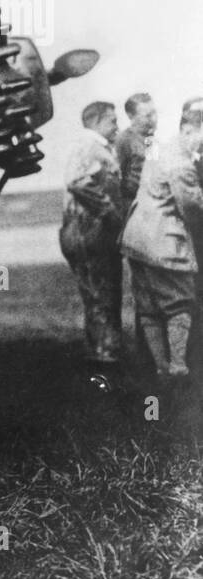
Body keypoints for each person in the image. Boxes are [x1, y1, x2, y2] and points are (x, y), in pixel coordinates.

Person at [120, 99, 203, 379]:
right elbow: (192, 208)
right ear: (190, 130)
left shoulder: (160, 150)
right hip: (163, 242)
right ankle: (178, 367)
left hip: (137, 239)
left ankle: (160, 368)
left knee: (149, 307)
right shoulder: (180, 163)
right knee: (179, 303)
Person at [59, 101, 126, 364]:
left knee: (103, 290)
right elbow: (76, 181)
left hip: (94, 230)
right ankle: (103, 353)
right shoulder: (88, 145)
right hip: (87, 230)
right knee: (100, 292)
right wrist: (108, 211)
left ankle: (105, 349)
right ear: (96, 122)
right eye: (112, 120)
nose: (117, 125)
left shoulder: (99, 147)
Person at [115, 93, 157, 204]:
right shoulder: (123, 140)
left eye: (154, 113)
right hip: (131, 203)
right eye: (147, 116)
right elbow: (117, 176)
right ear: (131, 116)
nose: (154, 119)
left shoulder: (152, 139)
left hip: (151, 201)